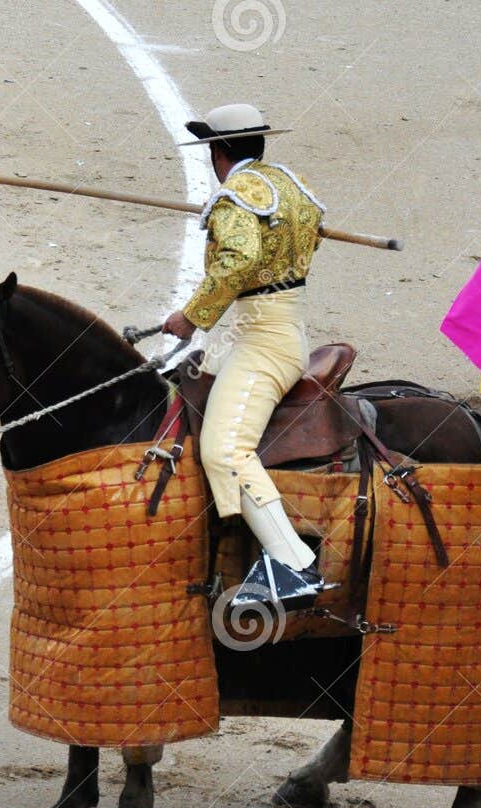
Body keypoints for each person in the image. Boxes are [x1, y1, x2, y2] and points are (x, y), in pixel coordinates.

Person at [161, 103, 329, 610]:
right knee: (179, 386)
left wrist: (192, 315)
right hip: (271, 328)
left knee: (225, 449)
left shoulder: (236, 197)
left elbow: (242, 257)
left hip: (263, 344)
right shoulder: (290, 185)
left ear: (218, 150)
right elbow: (314, 230)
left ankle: (292, 564)